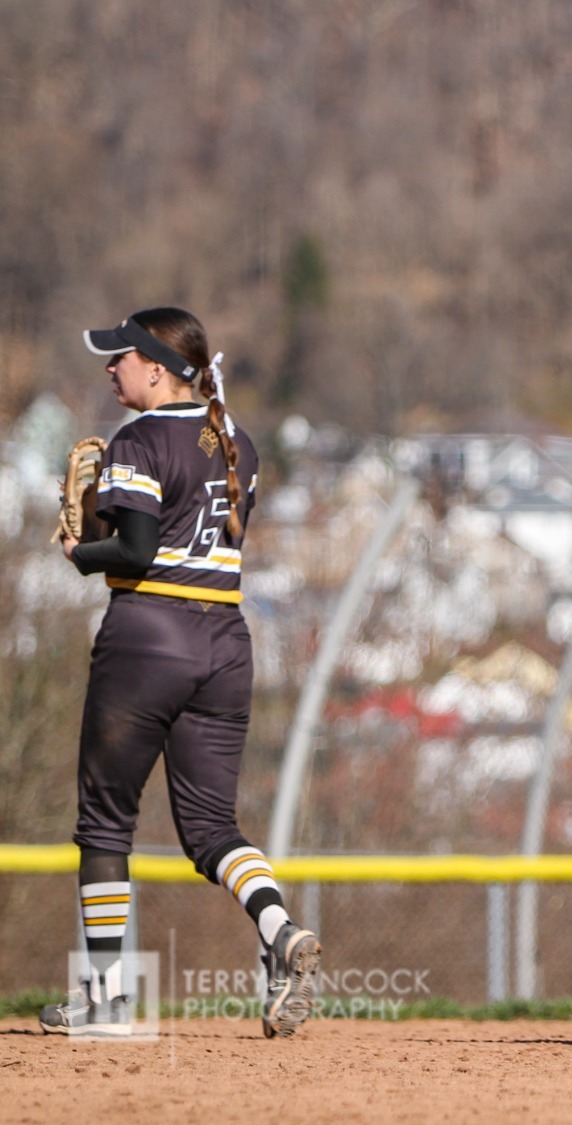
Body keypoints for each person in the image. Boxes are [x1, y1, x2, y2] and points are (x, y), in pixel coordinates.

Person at [40, 308, 321, 1039]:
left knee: (105, 821)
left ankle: (104, 994)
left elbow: (133, 552)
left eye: (120, 358)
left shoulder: (139, 438)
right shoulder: (237, 440)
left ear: (157, 367)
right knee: (210, 827)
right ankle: (280, 926)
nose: (111, 369)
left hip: (148, 636)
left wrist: (79, 551)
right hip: (226, 641)